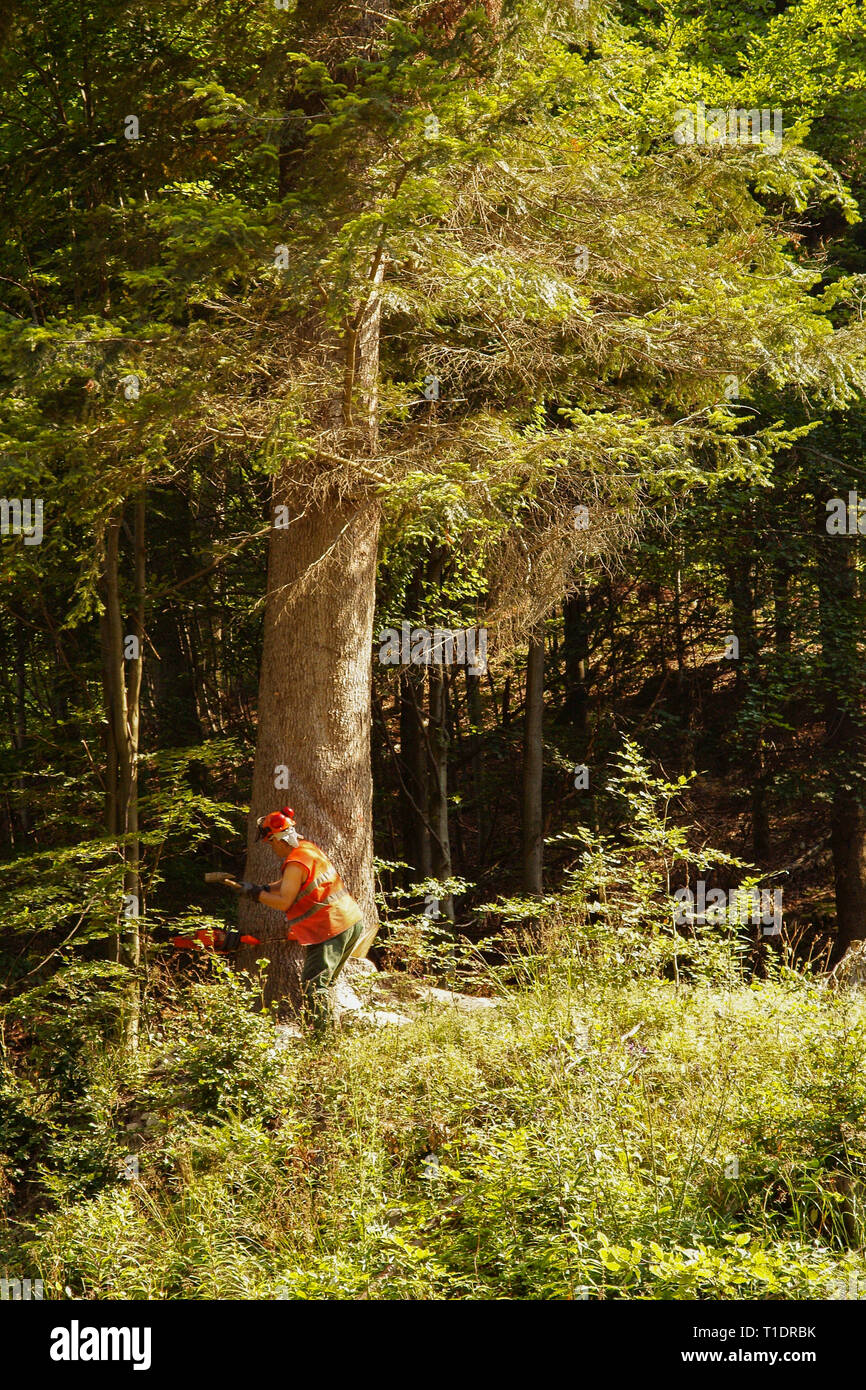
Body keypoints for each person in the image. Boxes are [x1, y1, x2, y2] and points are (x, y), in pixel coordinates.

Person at [225, 806, 364, 1035]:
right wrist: (264, 888)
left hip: (330, 927)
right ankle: (329, 1034)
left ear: (279, 838)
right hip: (349, 921)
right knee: (323, 984)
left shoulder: (295, 862)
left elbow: (283, 902)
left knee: (314, 986)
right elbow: (290, 883)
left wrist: (254, 893)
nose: (271, 847)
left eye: (270, 842)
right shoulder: (307, 849)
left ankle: (323, 1041)